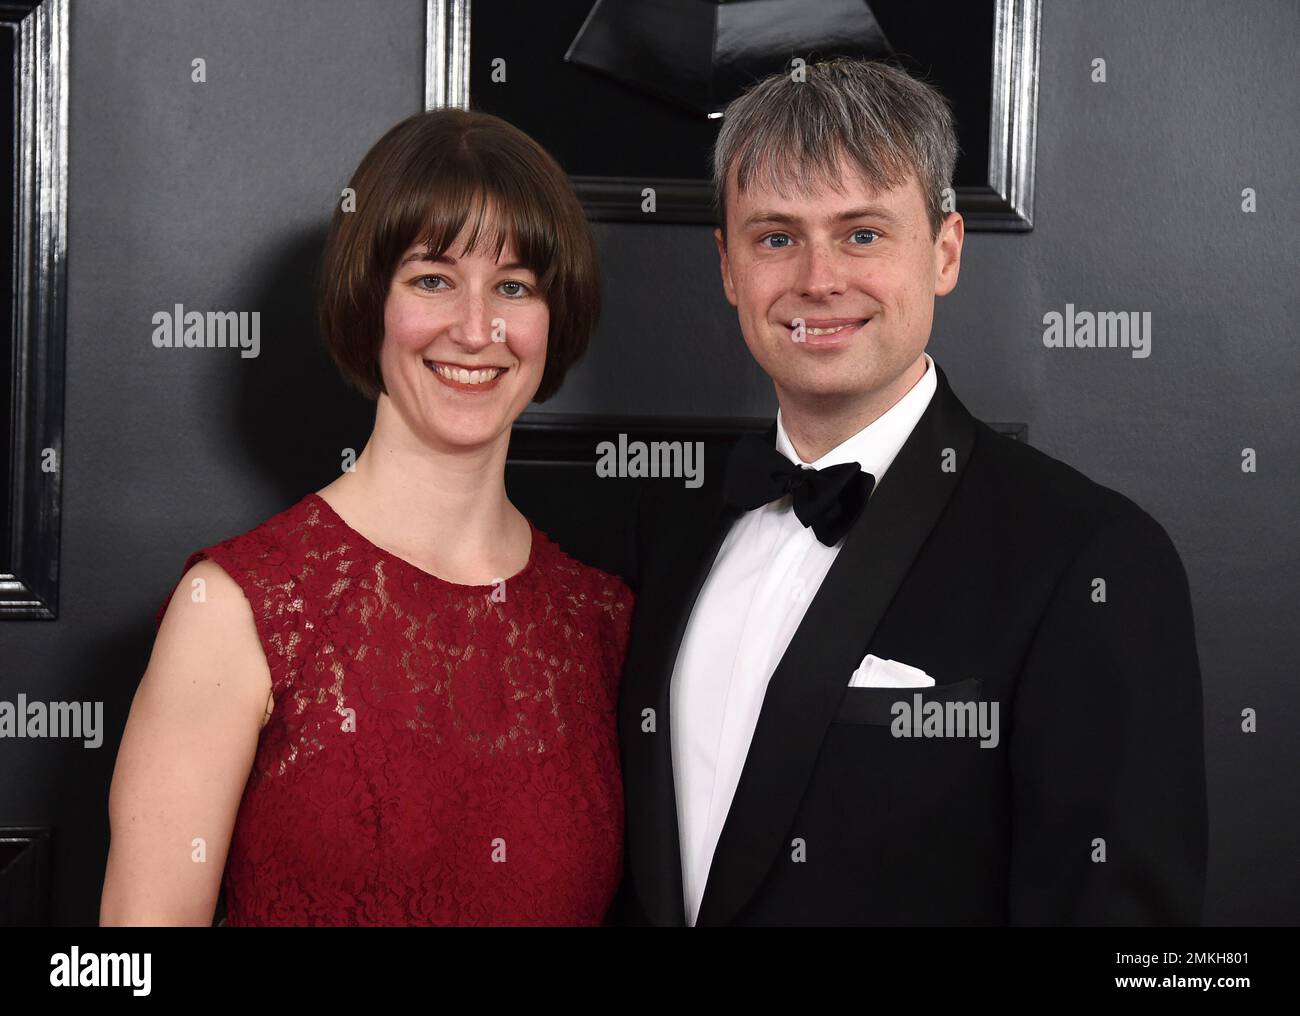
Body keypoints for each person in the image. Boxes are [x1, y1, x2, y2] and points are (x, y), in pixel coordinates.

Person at [614, 58, 1208, 926]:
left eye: (862, 234)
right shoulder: (665, 530)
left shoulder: (1090, 557)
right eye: (776, 236)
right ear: (729, 266)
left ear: (944, 251)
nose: (819, 279)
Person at [101, 109, 632, 926]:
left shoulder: (601, 622)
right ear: (369, 299)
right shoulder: (236, 607)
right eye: (432, 279)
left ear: (553, 320)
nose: (477, 327)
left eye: (515, 286)